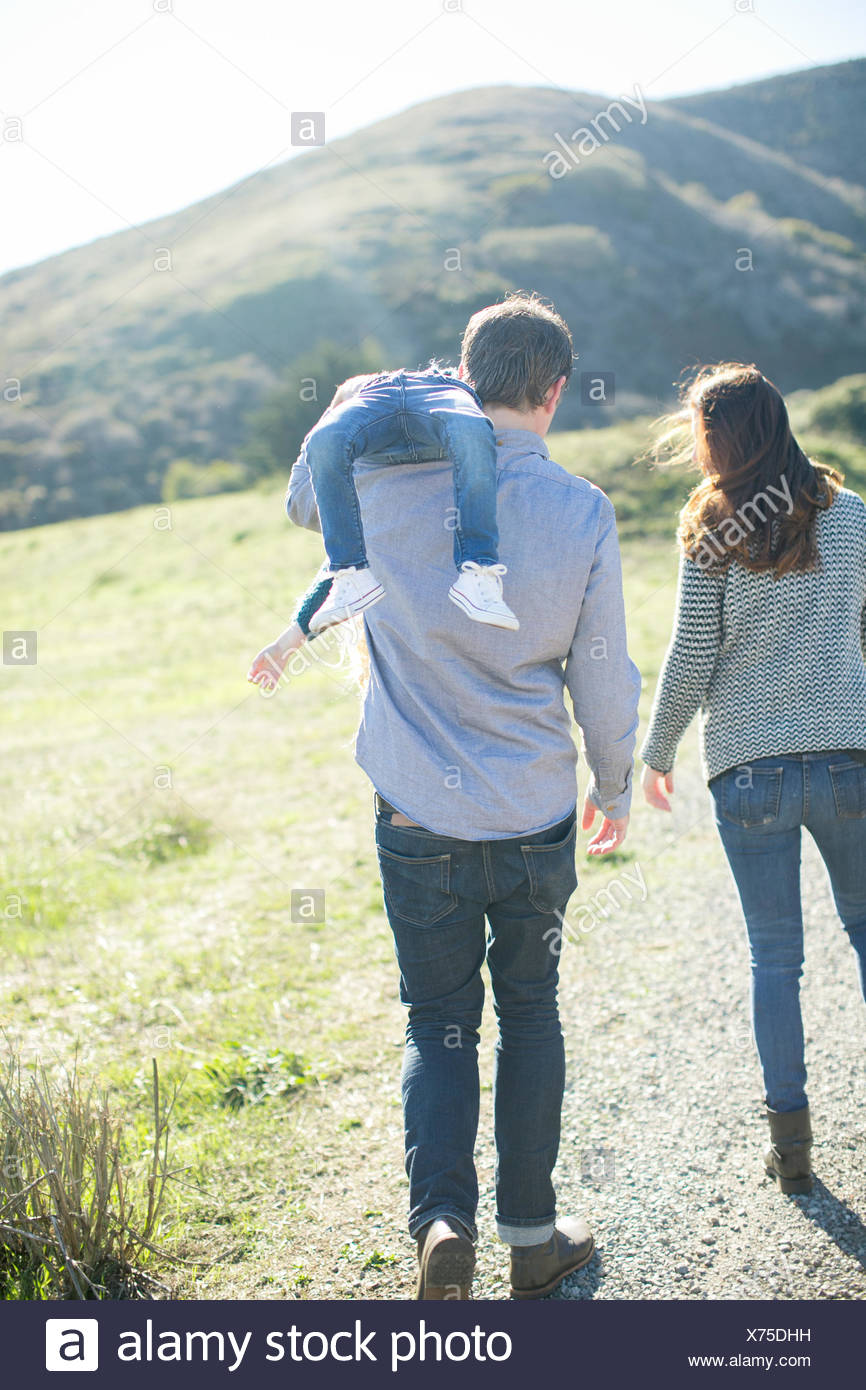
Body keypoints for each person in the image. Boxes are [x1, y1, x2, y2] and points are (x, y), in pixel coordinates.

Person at [282, 292, 641, 1298]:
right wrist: (613, 782)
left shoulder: (377, 483)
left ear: (460, 380)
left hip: (416, 817)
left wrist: (355, 401)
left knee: (436, 1020)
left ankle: (442, 1221)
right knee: (530, 1013)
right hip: (534, 815)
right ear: (555, 391)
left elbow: (301, 499)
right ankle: (531, 1239)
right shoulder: (580, 510)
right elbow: (604, 679)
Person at [640, 362, 866, 1195]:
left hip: (749, 771)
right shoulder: (854, 516)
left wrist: (657, 752)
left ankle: (792, 1147)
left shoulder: (712, 527)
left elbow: (691, 654)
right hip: (850, 761)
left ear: (720, 440)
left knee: (775, 958)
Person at [291, 366, 519, 633]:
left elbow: (298, 501)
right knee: (323, 440)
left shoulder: (364, 481)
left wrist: (331, 415)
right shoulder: (360, 488)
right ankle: (351, 575)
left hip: (435, 386)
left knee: (473, 430)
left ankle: (479, 568)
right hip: (380, 391)